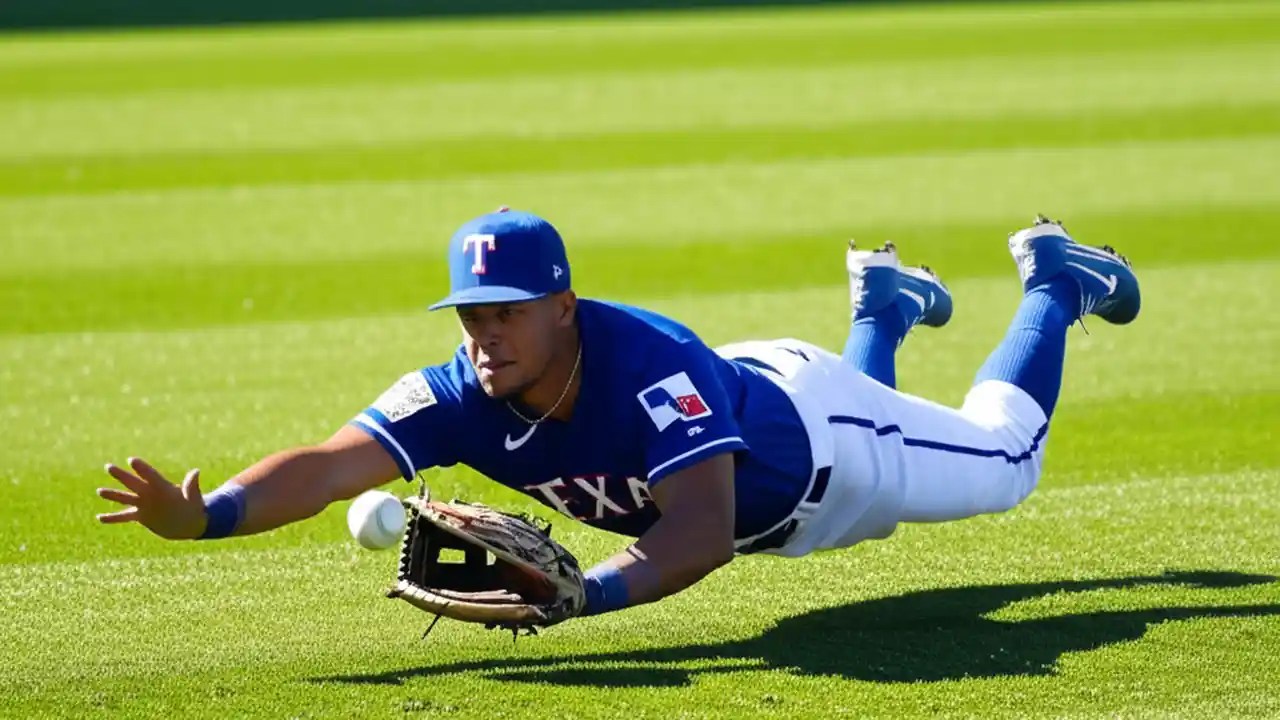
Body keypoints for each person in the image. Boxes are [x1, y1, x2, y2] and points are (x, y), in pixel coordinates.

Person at [97, 208, 1140, 620]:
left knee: (1005, 463)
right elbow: (331, 466)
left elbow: (696, 536)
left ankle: (1050, 279)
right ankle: (884, 305)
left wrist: (580, 596)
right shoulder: (467, 389)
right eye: (469, 314)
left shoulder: (650, 367)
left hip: (829, 447)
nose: (482, 336)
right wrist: (212, 516)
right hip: (764, 418)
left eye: (505, 315)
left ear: (562, 307)